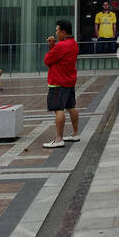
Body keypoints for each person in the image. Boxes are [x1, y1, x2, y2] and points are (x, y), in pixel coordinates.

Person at [43, 20, 80, 149]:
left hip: (58, 82)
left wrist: (52, 46)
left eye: (57, 30)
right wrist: (54, 45)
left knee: (58, 109)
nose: (56, 32)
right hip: (69, 81)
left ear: (63, 32)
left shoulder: (61, 46)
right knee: (71, 107)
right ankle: (75, 133)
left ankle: (59, 138)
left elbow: (47, 60)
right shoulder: (73, 44)